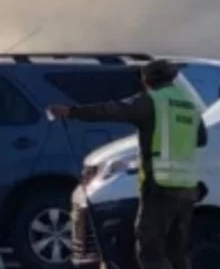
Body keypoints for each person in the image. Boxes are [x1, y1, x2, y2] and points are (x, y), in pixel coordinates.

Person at [48, 59, 207, 269]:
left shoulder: (151, 101)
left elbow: (111, 110)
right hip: (187, 188)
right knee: (176, 252)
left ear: (146, 81)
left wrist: (71, 112)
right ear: (172, 78)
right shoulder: (189, 106)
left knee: (150, 250)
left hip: (160, 186)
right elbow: (201, 139)